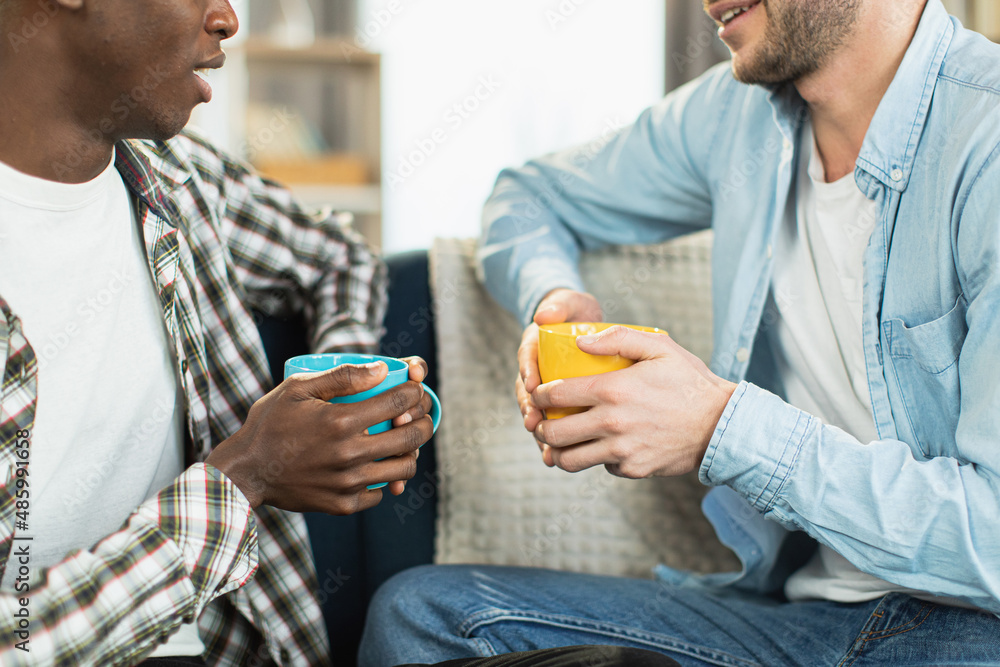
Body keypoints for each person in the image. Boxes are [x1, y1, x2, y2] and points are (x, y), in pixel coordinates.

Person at [360, 0, 1000, 665]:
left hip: (975, 630)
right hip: (807, 621)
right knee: (424, 615)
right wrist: (555, 301)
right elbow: (529, 198)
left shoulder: (986, 137)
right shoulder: (736, 116)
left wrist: (720, 427)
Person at [0, 0, 437, 664]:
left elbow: (338, 256)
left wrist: (342, 383)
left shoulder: (179, 177)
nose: (229, 17)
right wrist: (243, 478)